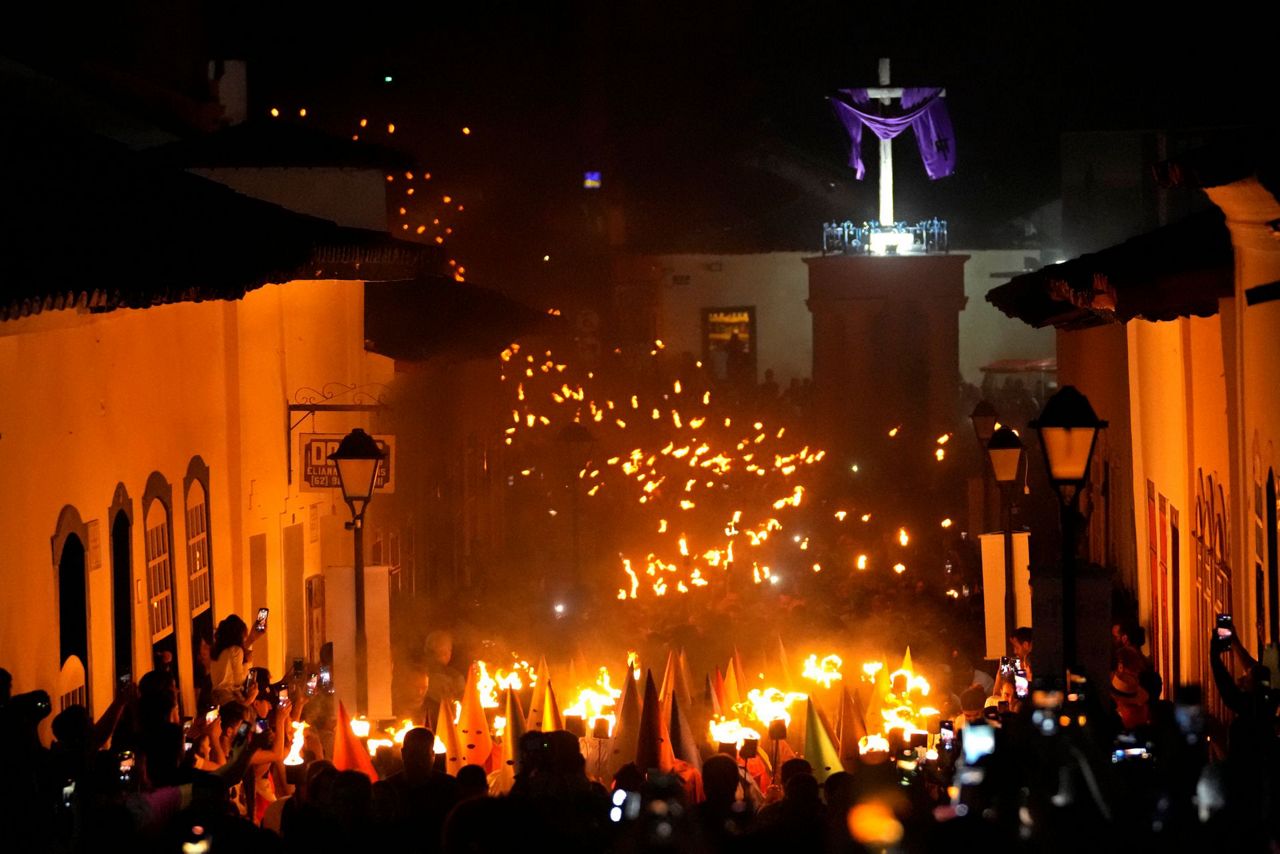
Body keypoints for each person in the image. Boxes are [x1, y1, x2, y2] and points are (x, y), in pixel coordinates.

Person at [210, 615, 263, 706]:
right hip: (228, 697)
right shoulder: (236, 650)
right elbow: (239, 680)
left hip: (216, 696)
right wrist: (247, 662)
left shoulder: (218, 651)